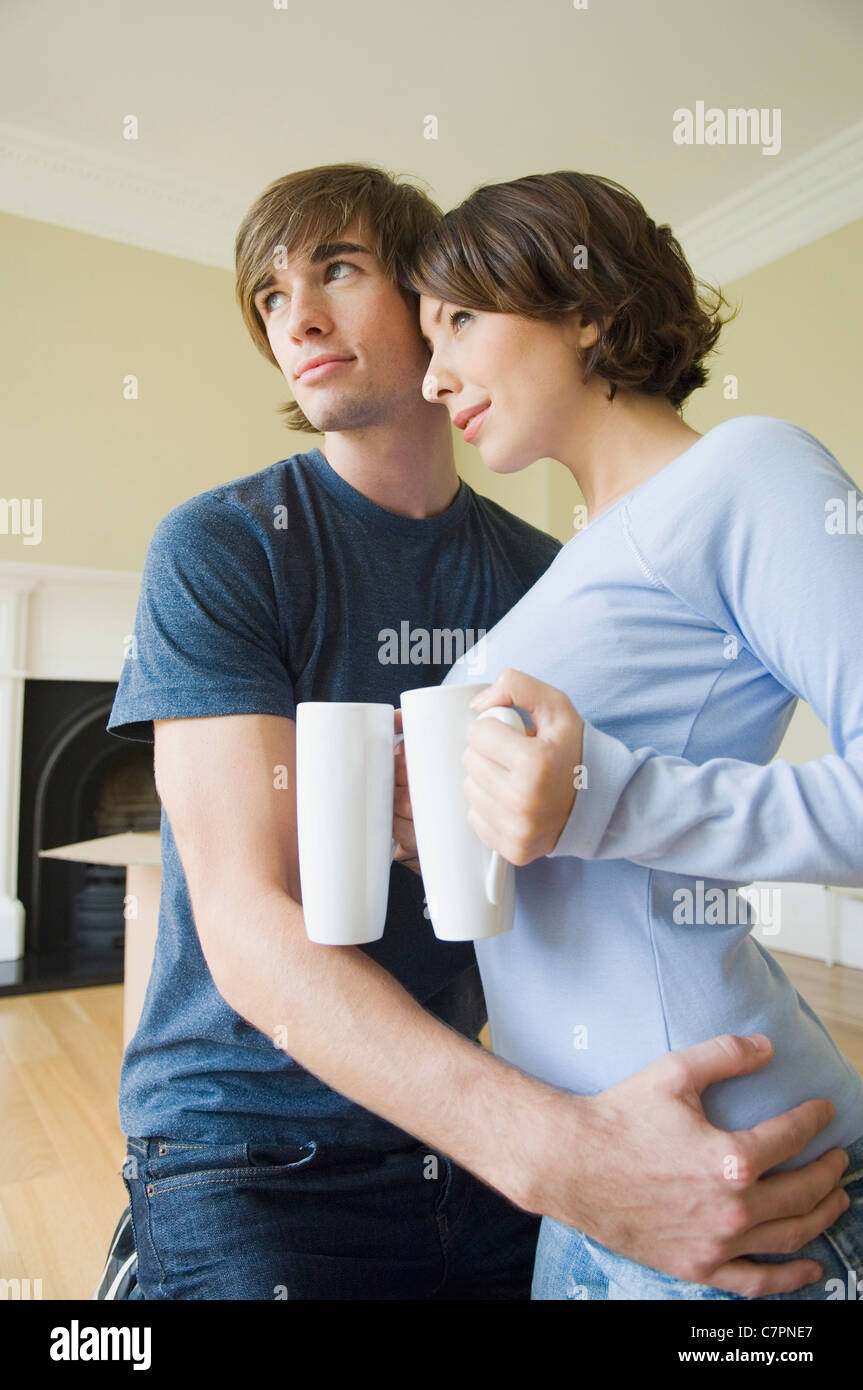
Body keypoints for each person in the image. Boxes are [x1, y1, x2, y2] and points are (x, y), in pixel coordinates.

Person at [107, 163, 849, 1301]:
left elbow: (597, 824)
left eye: (340, 271)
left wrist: (552, 808)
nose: (293, 316)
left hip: (533, 1138)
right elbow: (245, 922)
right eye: (265, 296)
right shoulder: (228, 543)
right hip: (265, 1145)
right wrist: (565, 1162)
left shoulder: (544, 566)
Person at [408, 168, 863, 1300]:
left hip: (749, 1185)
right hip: (596, 1181)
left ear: (585, 306)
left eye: (460, 319)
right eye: (425, 337)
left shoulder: (748, 469)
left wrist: (601, 801)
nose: (432, 373)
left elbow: (607, 800)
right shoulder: (571, 565)